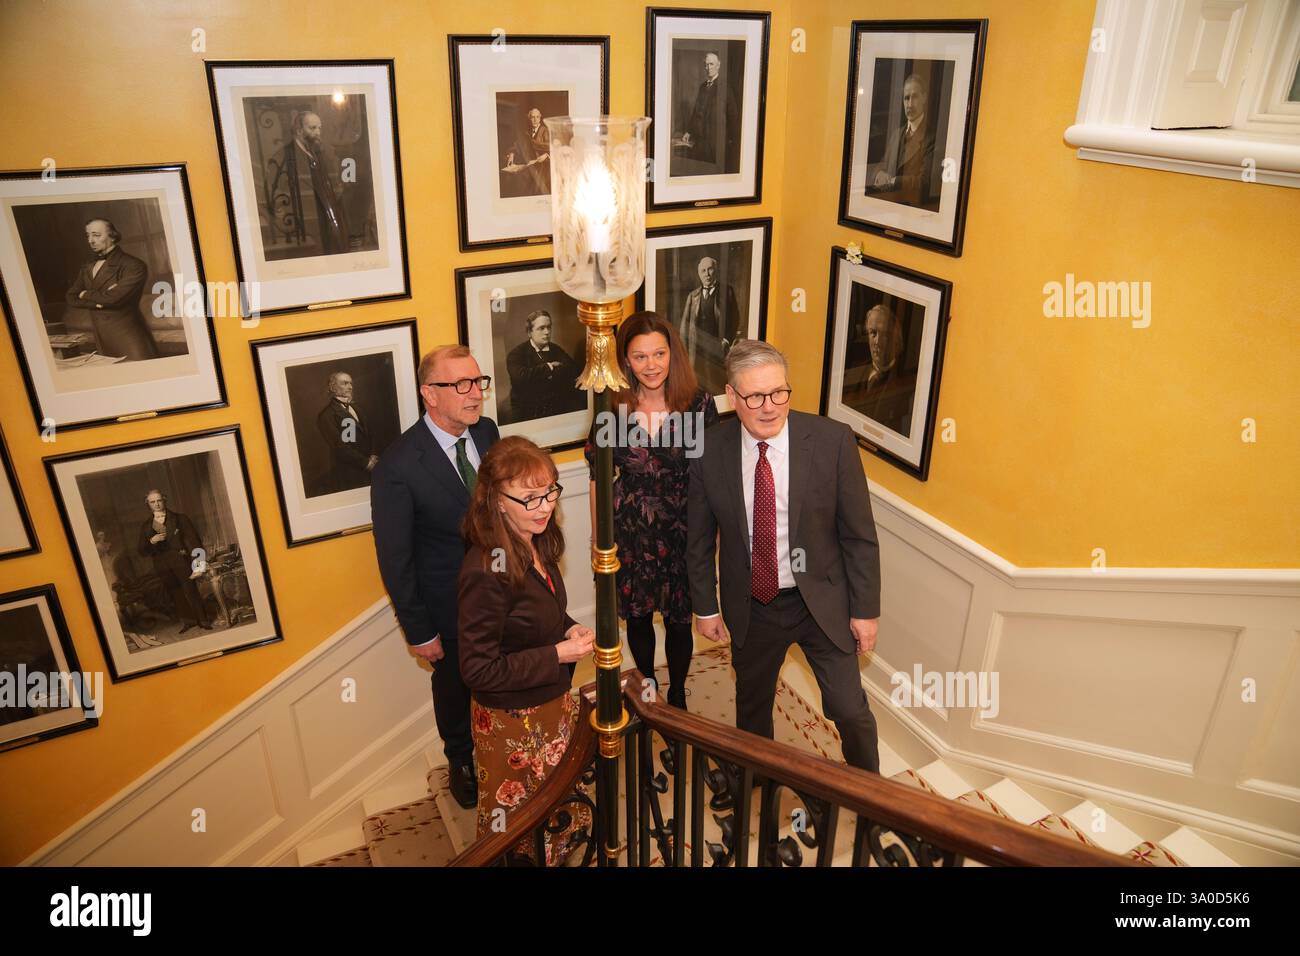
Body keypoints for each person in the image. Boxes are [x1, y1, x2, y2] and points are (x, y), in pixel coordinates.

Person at [687, 340, 883, 773]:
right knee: (752, 707)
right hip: (752, 606)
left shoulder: (832, 441)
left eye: (779, 393)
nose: (770, 407)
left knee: (849, 709)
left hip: (822, 603)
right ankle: (756, 780)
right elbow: (698, 541)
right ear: (732, 396)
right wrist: (705, 606)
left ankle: (875, 795)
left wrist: (866, 611)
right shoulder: (708, 450)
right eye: (755, 396)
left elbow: (859, 536)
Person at [371, 345, 499, 809]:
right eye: (460, 384)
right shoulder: (398, 466)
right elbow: (395, 558)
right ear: (430, 393)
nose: (475, 394)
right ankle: (461, 761)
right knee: (454, 687)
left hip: (501, 591)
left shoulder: (486, 433)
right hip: (447, 606)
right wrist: (420, 630)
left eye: (478, 382)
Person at [458, 436, 595, 864]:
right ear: (496, 500)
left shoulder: (535, 541)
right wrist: (558, 654)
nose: (544, 506)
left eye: (550, 492)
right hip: (512, 725)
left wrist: (569, 629)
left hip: (550, 705)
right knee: (518, 833)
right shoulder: (486, 568)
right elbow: (478, 670)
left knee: (556, 813)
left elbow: (536, 616)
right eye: (529, 498)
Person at [585, 312, 718, 708]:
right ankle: (648, 690)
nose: (651, 365)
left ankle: (677, 694)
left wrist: (713, 537)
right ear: (625, 360)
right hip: (632, 532)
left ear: (672, 354)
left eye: (659, 353)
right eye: (640, 357)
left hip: (684, 529)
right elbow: (598, 476)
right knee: (639, 619)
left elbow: (711, 477)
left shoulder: (697, 404)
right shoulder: (613, 407)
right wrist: (599, 541)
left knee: (679, 621)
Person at [64, 218, 159, 361]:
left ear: (113, 237)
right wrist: (98, 301)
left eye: (96, 235)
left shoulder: (133, 265)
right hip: (101, 338)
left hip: (129, 337)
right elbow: (71, 297)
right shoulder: (87, 267)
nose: (90, 240)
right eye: (88, 235)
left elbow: (115, 299)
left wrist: (85, 294)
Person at [273, 110, 350, 254]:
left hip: (326, 216)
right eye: (313, 128)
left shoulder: (317, 151)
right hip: (306, 220)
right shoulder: (283, 156)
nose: (318, 132)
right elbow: (277, 194)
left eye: (320, 128)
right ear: (299, 130)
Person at [136, 489, 212, 635]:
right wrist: (151, 541)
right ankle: (188, 620)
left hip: (182, 561)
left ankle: (203, 620)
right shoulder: (146, 526)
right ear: (148, 504)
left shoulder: (180, 518)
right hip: (162, 566)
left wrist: (199, 564)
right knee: (175, 594)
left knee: (191, 591)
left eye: (159, 500)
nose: (157, 504)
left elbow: (195, 542)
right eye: (153, 502)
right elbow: (141, 551)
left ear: (164, 500)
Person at [865, 73, 937, 209]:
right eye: (906, 98)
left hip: (913, 209)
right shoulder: (897, 134)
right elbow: (883, 163)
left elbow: (926, 182)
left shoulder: (932, 137)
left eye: (914, 97)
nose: (909, 104)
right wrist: (879, 173)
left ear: (924, 98)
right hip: (887, 204)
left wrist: (895, 181)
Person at [678, 255, 744, 396]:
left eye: (710, 270)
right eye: (703, 271)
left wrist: (726, 340)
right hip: (697, 349)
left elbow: (735, 319)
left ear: (716, 271)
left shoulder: (727, 291)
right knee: (697, 384)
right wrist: (683, 351)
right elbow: (684, 326)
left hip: (717, 348)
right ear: (699, 274)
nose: (707, 274)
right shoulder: (693, 296)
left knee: (716, 383)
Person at [845, 304, 914, 436]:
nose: (877, 341)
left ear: (896, 341)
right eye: (873, 333)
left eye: (885, 335)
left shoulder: (905, 387)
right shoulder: (853, 373)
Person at [505, 310, 583, 422]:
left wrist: (536, 375)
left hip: (555, 409)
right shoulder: (516, 354)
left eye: (549, 327)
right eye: (541, 328)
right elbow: (521, 377)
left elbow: (572, 369)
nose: (547, 332)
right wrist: (549, 367)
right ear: (529, 332)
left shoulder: (556, 349)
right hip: (526, 413)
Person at [316, 370, 378, 493]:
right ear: (333, 387)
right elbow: (340, 447)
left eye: (350, 383)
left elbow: (369, 434)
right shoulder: (327, 415)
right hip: (349, 473)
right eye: (345, 383)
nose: (350, 387)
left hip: (370, 469)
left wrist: (373, 454)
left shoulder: (357, 408)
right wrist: (366, 463)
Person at [677, 51, 739, 174]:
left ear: (718, 65)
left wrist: (731, 141)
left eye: (711, 64)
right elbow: (696, 112)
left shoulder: (725, 87)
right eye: (706, 65)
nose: (708, 68)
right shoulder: (702, 87)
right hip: (701, 141)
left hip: (717, 144)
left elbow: (733, 117)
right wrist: (689, 131)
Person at [502, 107, 551, 195]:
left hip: (542, 168)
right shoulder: (527, 132)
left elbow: (550, 147)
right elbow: (518, 144)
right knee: (513, 180)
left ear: (540, 118)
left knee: (536, 189)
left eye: (537, 117)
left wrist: (546, 155)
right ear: (529, 118)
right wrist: (512, 153)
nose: (535, 120)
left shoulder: (544, 131)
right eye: (532, 117)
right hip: (529, 165)